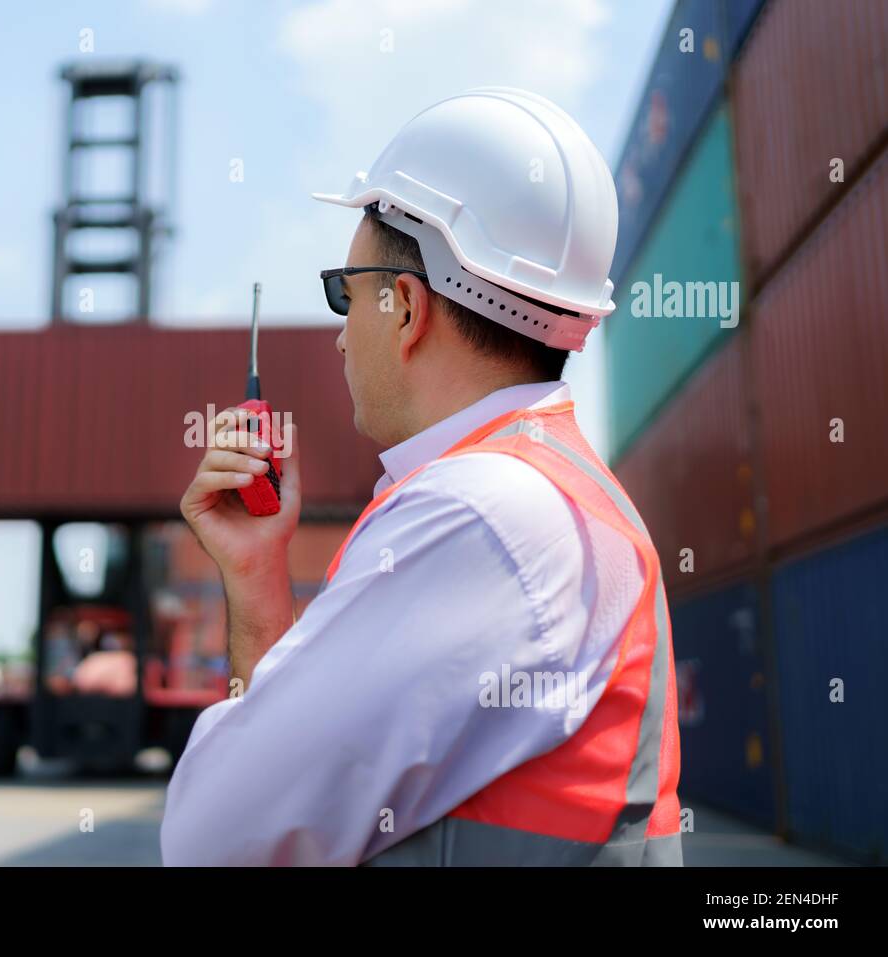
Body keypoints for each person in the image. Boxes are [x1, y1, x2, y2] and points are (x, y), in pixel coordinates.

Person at [161, 88, 681, 866]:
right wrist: (258, 574)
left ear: (404, 307)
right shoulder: (551, 489)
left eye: (345, 292)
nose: (341, 336)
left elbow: (216, 837)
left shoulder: (482, 514)